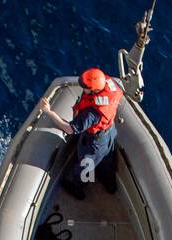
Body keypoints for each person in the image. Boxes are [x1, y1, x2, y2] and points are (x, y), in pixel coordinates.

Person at [38, 68, 124, 199]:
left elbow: (70, 129)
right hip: (109, 132)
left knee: (86, 164)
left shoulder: (91, 113)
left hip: (94, 142)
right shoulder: (109, 85)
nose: (83, 88)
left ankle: (78, 188)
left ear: (94, 90)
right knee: (107, 160)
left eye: (86, 87)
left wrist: (49, 112)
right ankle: (110, 185)